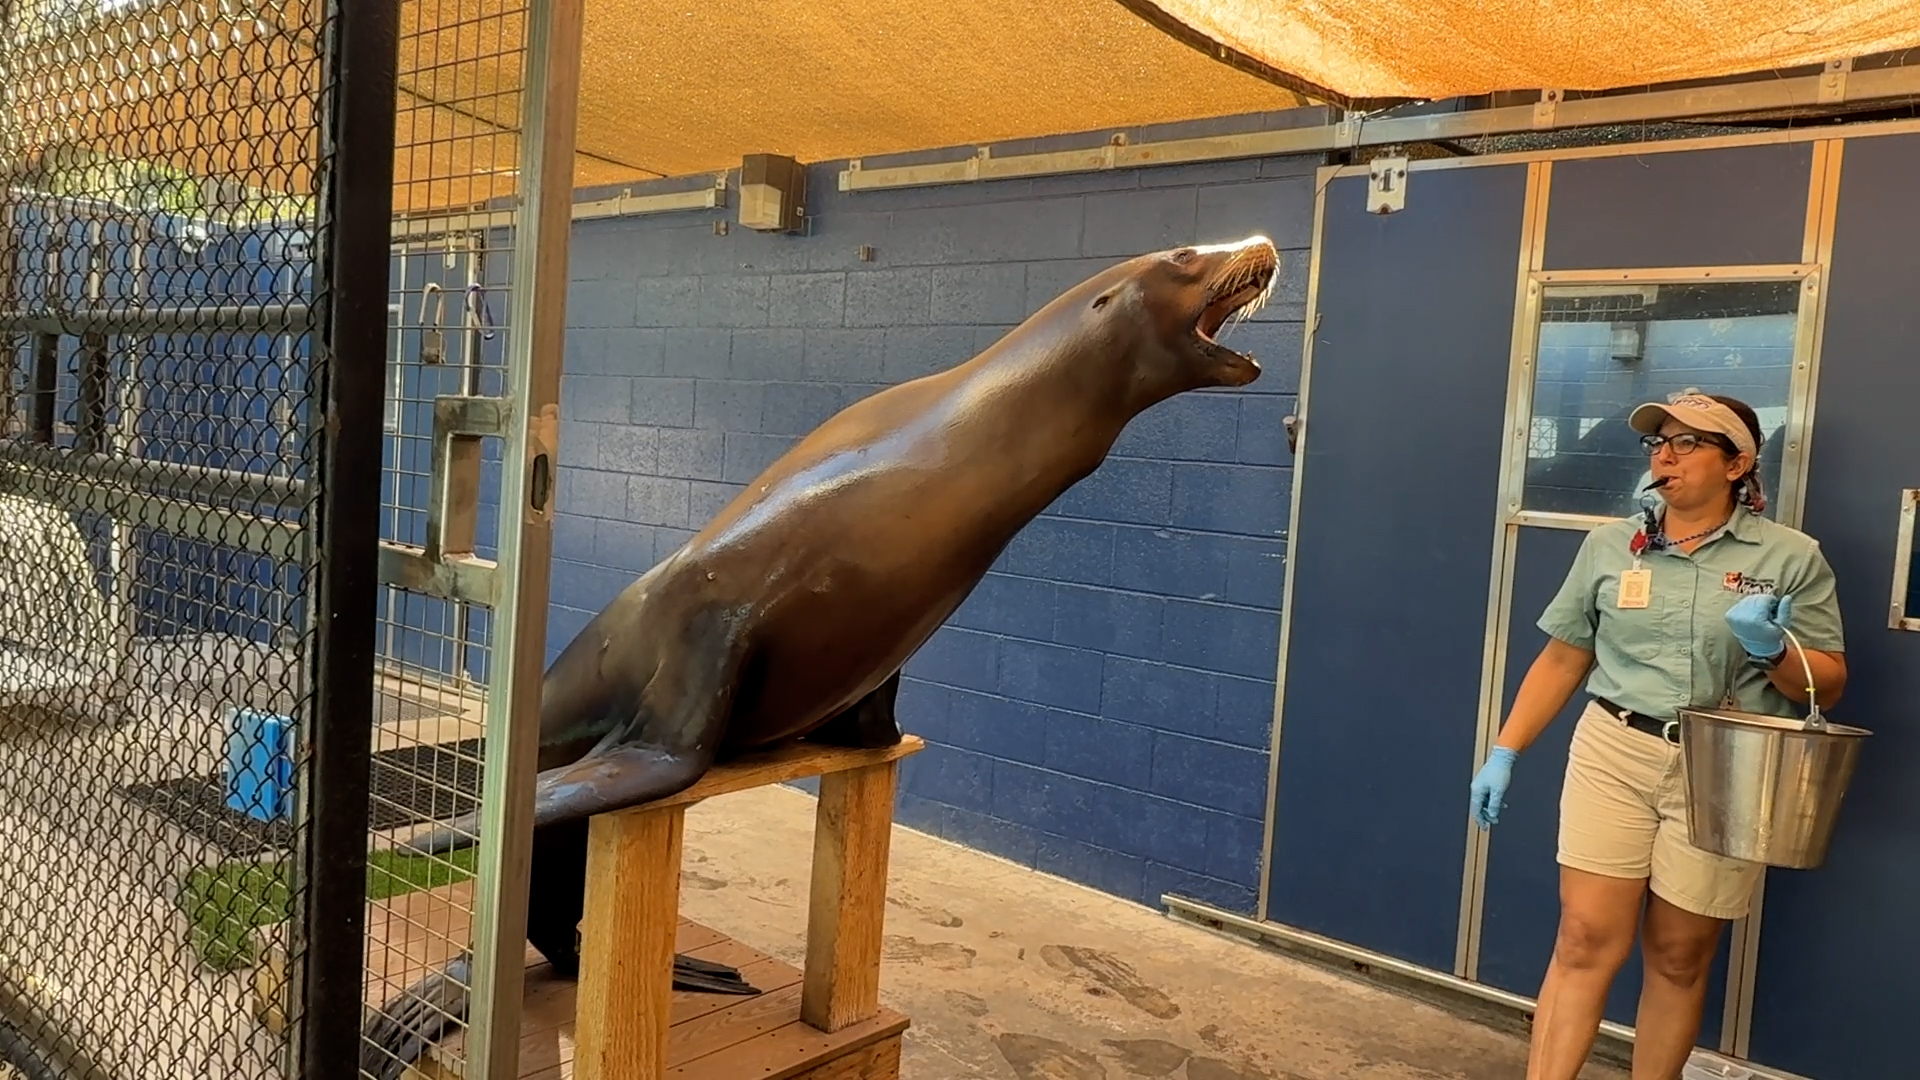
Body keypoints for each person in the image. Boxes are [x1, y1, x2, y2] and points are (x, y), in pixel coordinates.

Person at [1467, 392, 1848, 1079]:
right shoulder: (1612, 546)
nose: (1664, 457)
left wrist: (1773, 649)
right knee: (1584, 939)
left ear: (1739, 463)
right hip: (1614, 748)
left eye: (1688, 443)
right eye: (1657, 444)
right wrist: (1505, 750)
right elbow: (1564, 656)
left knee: (1678, 955)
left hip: (1726, 767)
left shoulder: (1791, 558)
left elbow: (1828, 682)